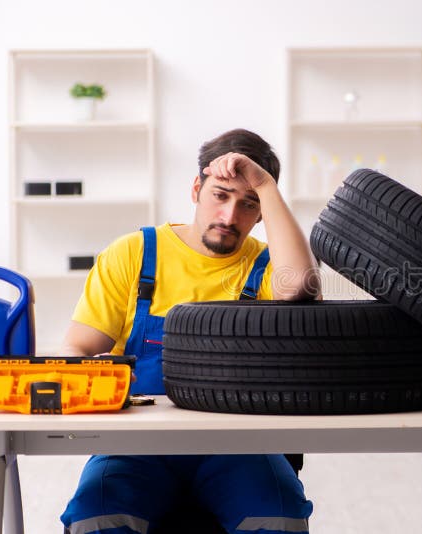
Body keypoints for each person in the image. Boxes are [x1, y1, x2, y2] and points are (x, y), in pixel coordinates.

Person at [59, 128, 319, 534]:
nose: (230, 216)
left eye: (249, 204)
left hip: (241, 447)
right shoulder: (134, 253)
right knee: (97, 515)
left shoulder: (267, 266)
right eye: (220, 195)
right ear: (196, 188)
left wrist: (266, 185)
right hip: (135, 447)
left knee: (279, 515)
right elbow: (78, 345)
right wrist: (94, 372)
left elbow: (299, 285)